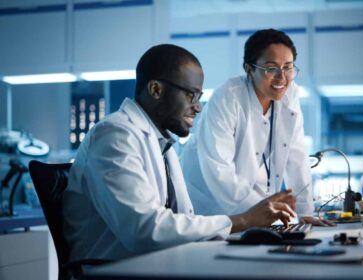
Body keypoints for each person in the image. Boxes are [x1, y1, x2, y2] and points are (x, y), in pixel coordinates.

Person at [62, 44, 297, 262]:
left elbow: (181, 218)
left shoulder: (160, 142)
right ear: (155, 89)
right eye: (191, 95)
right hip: (115, 271)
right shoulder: (115, 135)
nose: (198, 107)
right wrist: (244, 220)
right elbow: (145, 229)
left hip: (160, 264)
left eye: (199, 97)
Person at [181, 29, 333, 226]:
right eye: (271, 68)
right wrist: (265, 212)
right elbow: (219, 171)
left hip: (253, 208)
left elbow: (296, 157)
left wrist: (304, 213)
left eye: (288, 67)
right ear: (249, 69)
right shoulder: (227, 98)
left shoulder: (290, 95)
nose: (282, 78)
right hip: (208, 206)